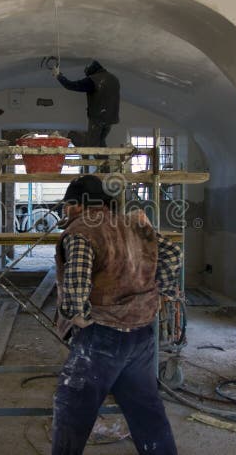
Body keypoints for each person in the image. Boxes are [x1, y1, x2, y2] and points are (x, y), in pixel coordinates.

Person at [52, 175, 180, 455]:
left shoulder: (83, 230)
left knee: (72, 408)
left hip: (102, 335)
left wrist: (80, 316)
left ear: (77, 205)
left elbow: (76, 284)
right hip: (142, 332)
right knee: (146, 410)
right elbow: (172, 253)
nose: (66, 211)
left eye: (68, 205)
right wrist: (158, 291)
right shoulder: (134, 223)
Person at [53, 60, 120, 148]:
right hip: (110, 118)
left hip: (98, 117)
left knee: (91, 144)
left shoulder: (94, 80)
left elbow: (71, 85)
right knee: (100, 142)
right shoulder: (114, 78)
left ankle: (72, 136)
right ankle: (104, 161)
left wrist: (59, 76)